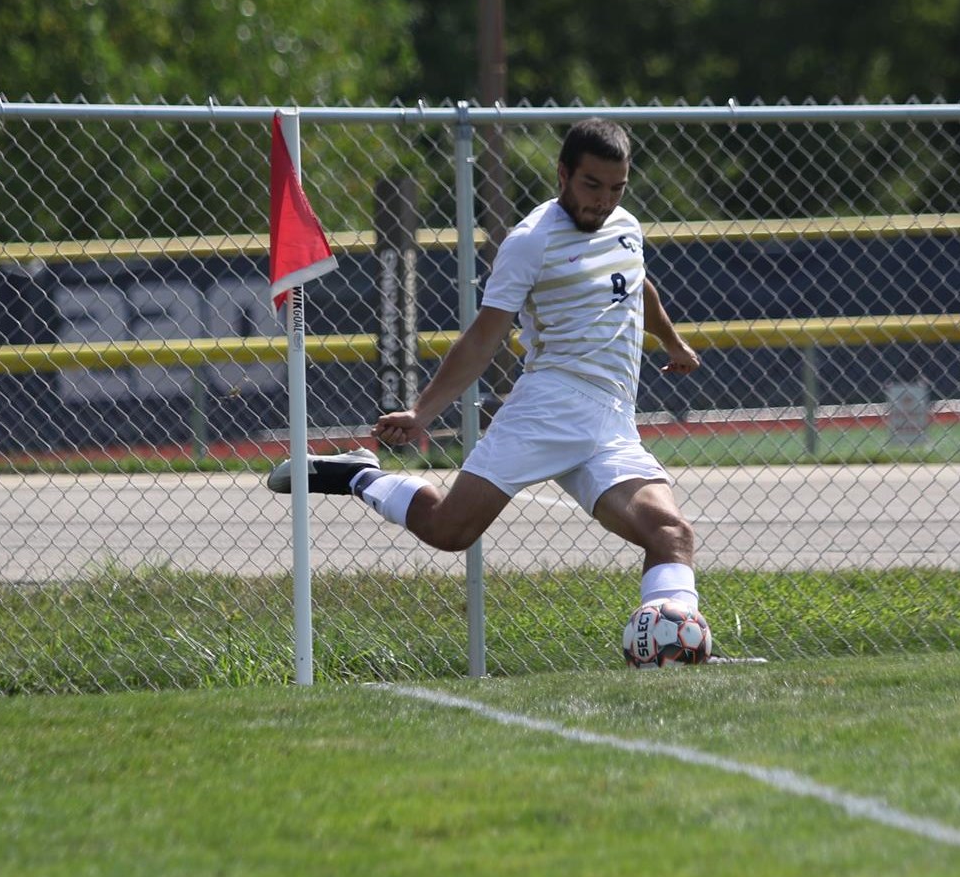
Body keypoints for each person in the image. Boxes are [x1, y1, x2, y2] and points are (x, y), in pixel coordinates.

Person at [266, 117, 706, 614]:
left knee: (671, 534)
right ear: (562, 174)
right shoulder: (531, 241)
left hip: (613, 422)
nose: (603, 201)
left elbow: (635, 284)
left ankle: (671, 651)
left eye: (616, 188)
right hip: (550, 407)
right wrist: (422, 414)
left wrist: (672, 342)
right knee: (448, 530)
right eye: (591, 185)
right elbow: (482, 340)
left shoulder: (624, 226)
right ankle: (358, 476)